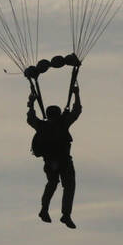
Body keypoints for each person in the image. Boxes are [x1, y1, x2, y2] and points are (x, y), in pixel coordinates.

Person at [27, 67, 82, 227]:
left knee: (52, 184)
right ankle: (65, 214)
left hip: (49, 162)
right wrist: (76, 94)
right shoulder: (62, 123)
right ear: (58, 114)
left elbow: (31, 119)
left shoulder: (42, 126)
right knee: (69, 185)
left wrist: (31, 103)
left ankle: (44, 209)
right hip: (64, 161)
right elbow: (76, 111)